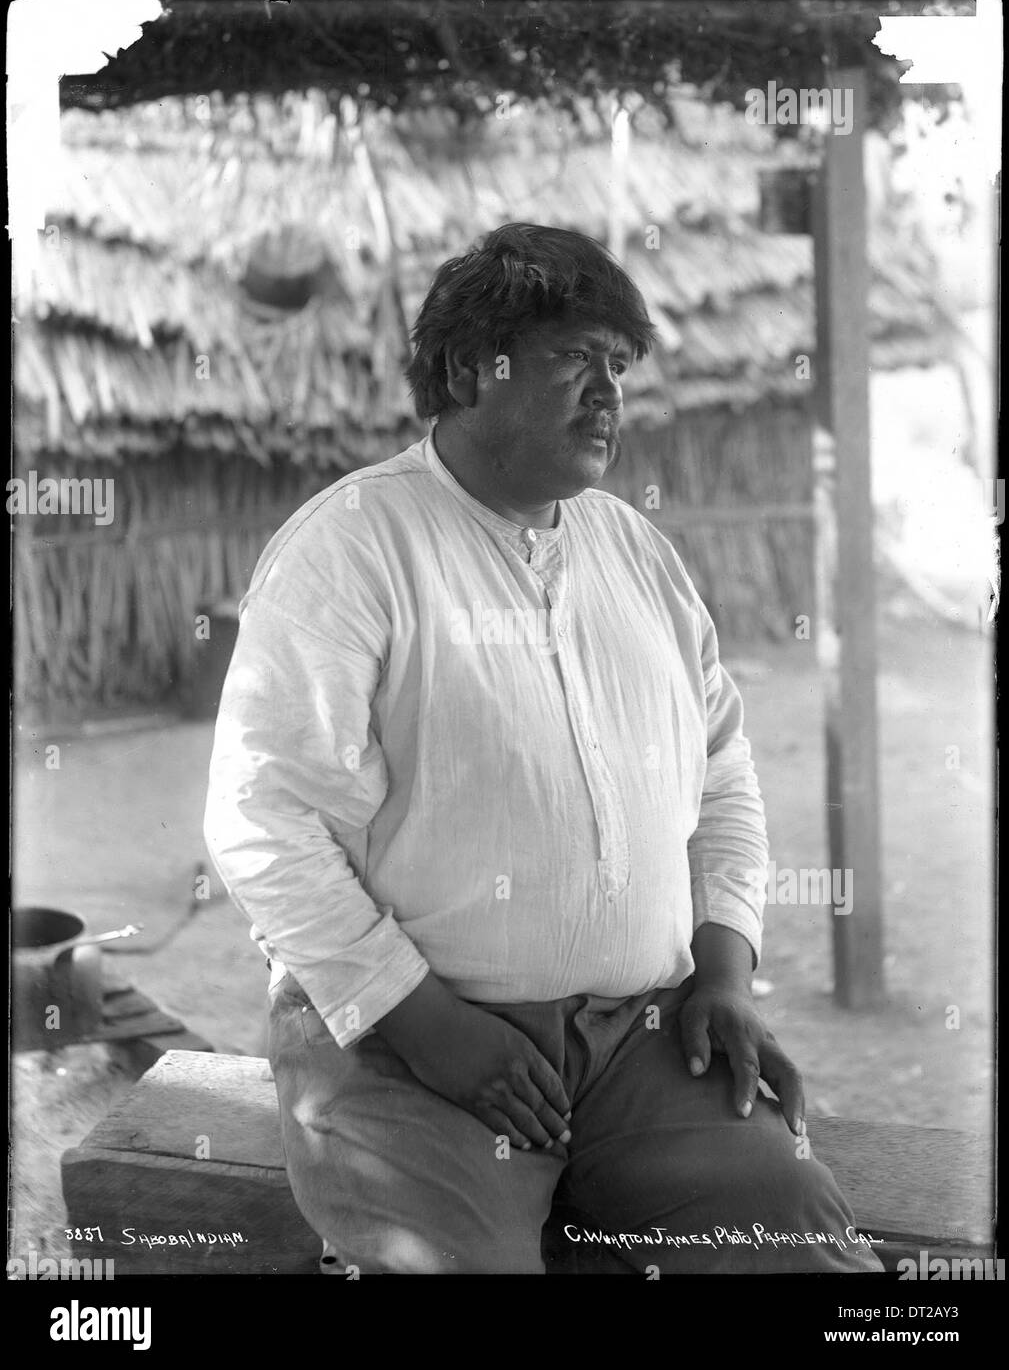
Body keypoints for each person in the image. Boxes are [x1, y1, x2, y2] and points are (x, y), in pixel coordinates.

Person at [204, 223, 882, 1275]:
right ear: (476, 367)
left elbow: (722, 769)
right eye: (575, 357)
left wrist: (722, 970)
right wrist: (428, 1024)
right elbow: (262, 822)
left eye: (617, 364)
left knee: (795, 1239)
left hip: (641, 1042)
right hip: (399, 1051)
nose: (609, 391)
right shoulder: (350, 552)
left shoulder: (635, 553)